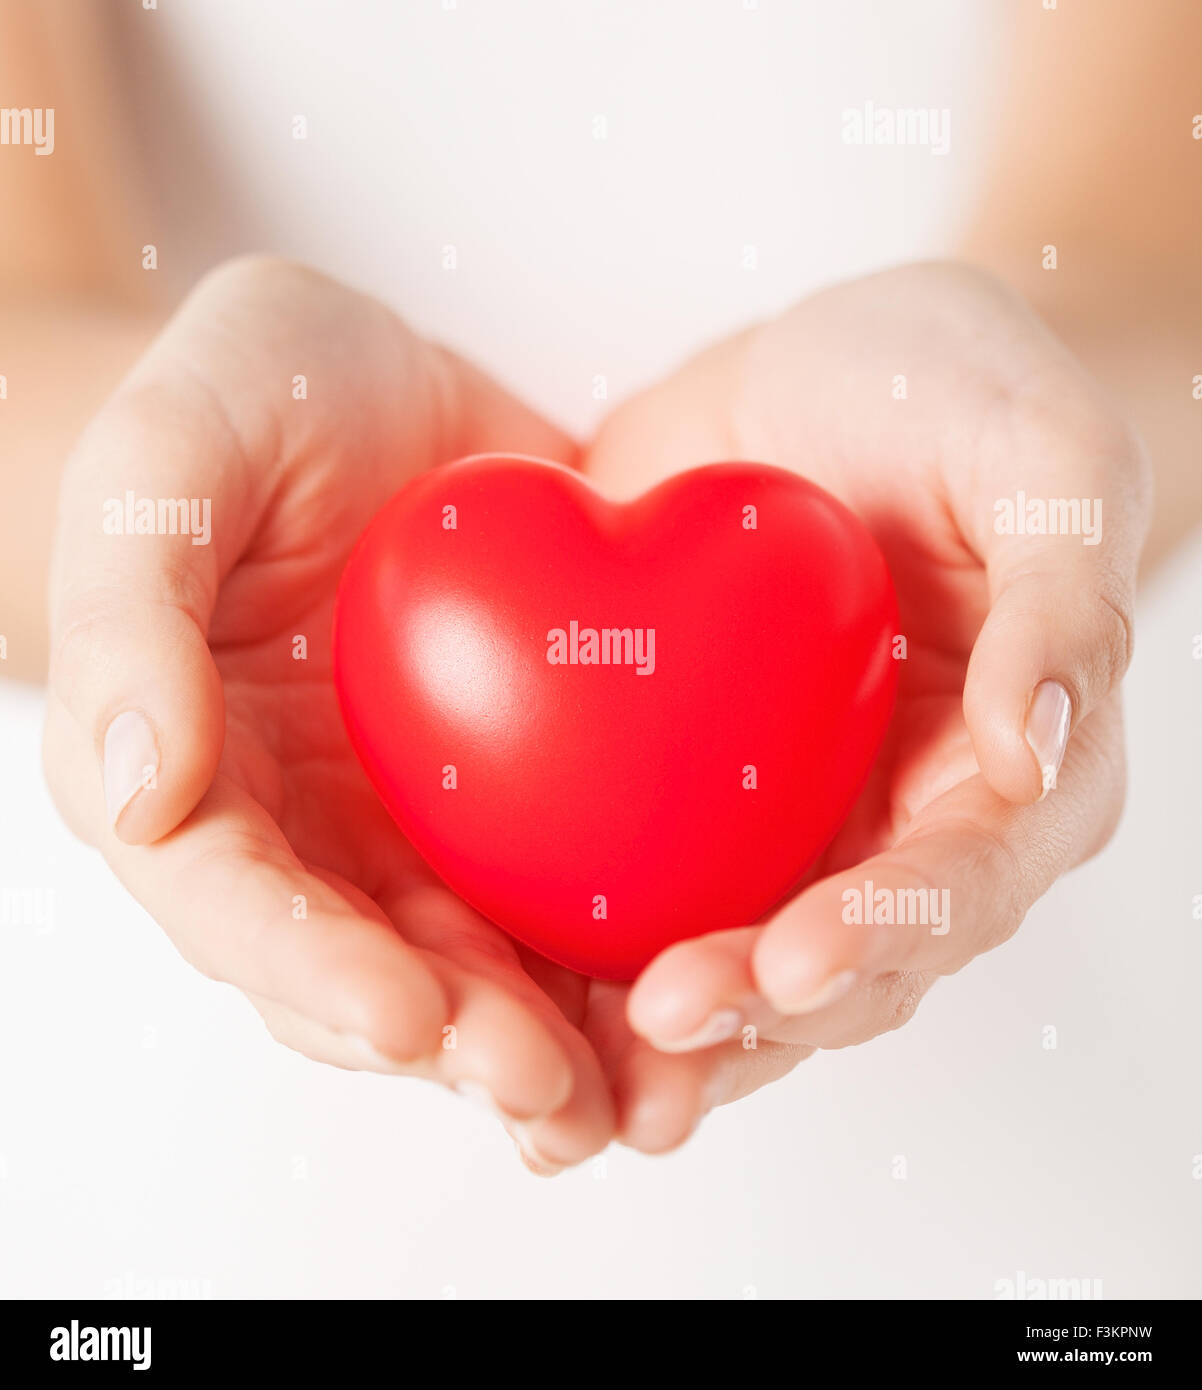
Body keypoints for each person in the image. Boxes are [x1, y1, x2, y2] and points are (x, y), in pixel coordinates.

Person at [1, 0, 1196, 1181]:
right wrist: (155, 522)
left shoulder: (838, 556)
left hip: (1056, 1075)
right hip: (176, 1117)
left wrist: (1025, 459)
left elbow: (1156, 267)